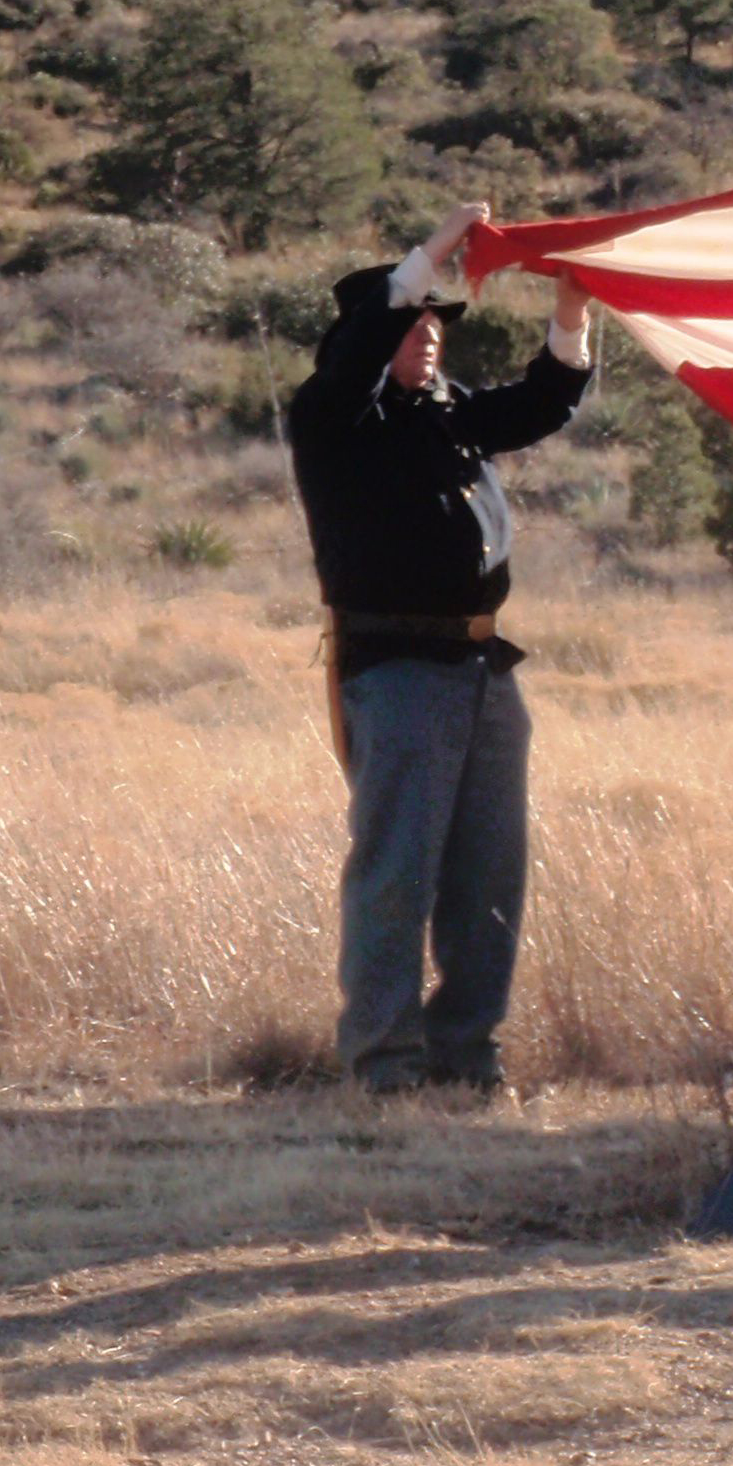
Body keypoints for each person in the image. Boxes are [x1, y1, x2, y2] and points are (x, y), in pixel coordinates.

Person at [284, 200, 595, 1095]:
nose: (428, 335)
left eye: (435, 324)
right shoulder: (333, 417)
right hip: (399, 671)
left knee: (488, 877)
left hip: (483, 667)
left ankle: (467, 1059)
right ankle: (385, 1065)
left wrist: (571, 314)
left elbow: (544, 401)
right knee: (397, 876)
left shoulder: (449, 415)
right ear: (365, 338)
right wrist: (434, 252)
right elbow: (359, 355)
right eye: (412, 321)